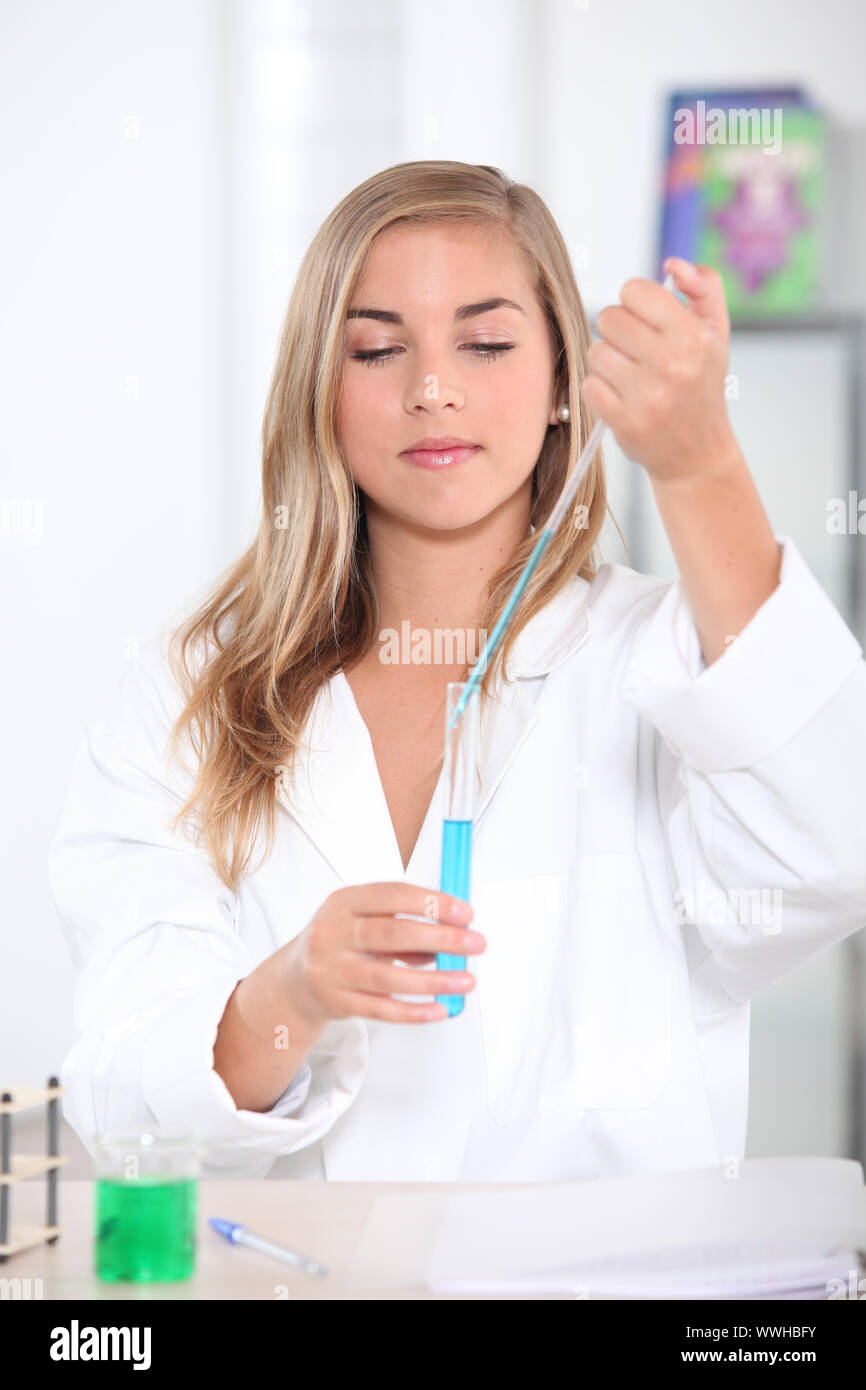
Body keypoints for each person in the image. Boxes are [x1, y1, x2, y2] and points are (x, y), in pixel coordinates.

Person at [49, 160, 866, 1182]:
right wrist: (291, 994)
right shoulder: (187, 700)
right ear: (321, 389)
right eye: (379, 349)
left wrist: (699, 466)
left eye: (484, 344)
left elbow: (830, 855)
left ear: (567, 380)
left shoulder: (662, 664)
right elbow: (126, 1089)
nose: (431, 387)